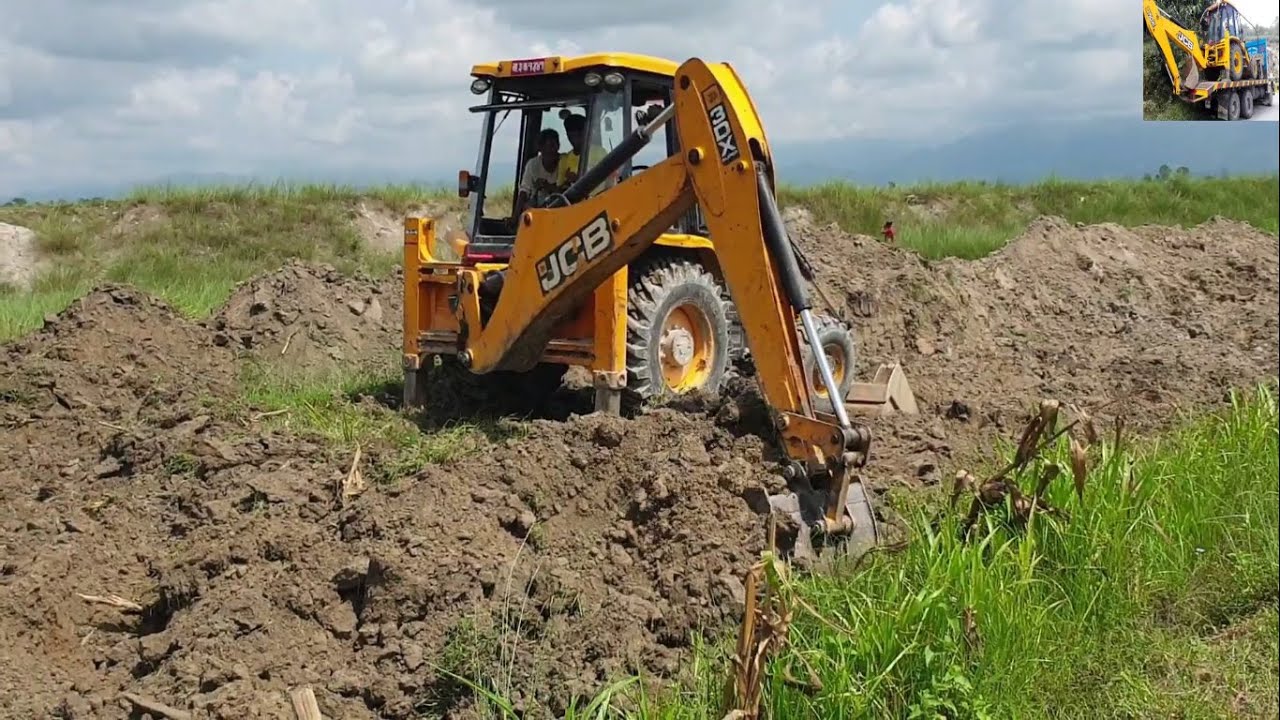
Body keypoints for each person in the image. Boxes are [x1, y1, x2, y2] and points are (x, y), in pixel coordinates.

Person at [556, 113, 617, 195]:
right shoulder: (564, 160)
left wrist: (577, 180)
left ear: (586, 133)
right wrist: (568, 182)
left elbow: (611, 183)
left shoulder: (600, 152)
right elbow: (560, 190)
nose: (575, 140)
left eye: (579, 135)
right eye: (571, 136)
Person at [514, 128, 562, 219]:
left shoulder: (564, 161)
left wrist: (547, 186)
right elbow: (524, 191)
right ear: (540, 149)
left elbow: (566, 190)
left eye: (554, 146)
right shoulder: (533, 164)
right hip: (538, 211)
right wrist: (515, 216)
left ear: (558, 146)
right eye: (548, 147)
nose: (551, 150)